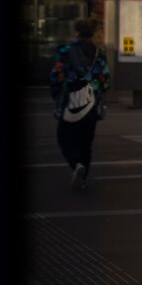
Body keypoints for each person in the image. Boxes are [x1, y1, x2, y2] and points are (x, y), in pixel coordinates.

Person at [50, 17, 111, 191]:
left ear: (76, 32)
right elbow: (106, 81)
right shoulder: (99, 54)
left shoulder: (65, 51)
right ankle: (82, 177)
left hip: (69, 102)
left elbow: (56, 75)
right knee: (86, 142)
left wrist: (56, 93)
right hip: (91, 104)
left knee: (64, 137)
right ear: (92, 33)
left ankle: (76, 164)